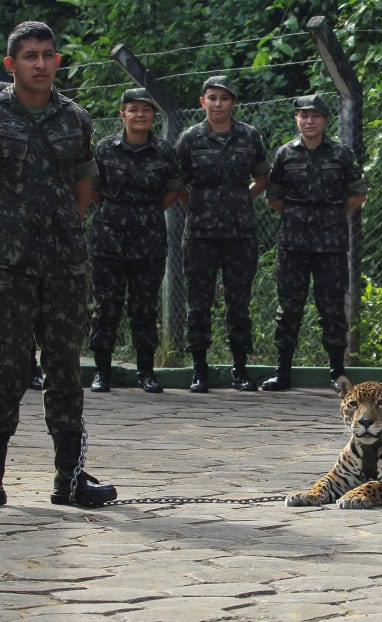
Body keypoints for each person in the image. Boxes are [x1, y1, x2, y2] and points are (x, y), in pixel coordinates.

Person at [0, 21, 117, 507]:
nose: (41, 64)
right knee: (6, 371)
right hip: (7, 266)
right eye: (30, 56)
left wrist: (64, 227)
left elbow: (82, 185)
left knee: (66, 371)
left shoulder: (74, 118)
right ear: (11, 64)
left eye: (48, 55)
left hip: (64, 264)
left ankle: (70, 478)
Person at [260, 94, 367, 392]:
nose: (309, 121)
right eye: (304, 115)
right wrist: (300, 216)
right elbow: (274, 198)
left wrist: (331, 216)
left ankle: (337, 372)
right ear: (296, 119)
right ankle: (283, 371)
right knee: (288, 308)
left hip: (331, 245)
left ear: (325, 120)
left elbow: (358, 194)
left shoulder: (341, 154)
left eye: (315, 116)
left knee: (332, 309)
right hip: (293, 244)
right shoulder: (285, 154)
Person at [176, 75, 269, 393]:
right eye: (212, 98)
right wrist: (199, 205)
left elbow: (262, 177)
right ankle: (199, 369)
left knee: (238, 302)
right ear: (202, 102)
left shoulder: (249, 136)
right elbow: (178, 184)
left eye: (224, 98)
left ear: (233, 103)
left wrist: (241, 199)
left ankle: (240, 369)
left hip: (239, 233)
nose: (218, 104)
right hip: (200, 234)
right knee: (198, 303)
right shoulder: (190, 138)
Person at [88, 88, 183, 394]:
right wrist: (117, 211)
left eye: (146, 109)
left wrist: (145, 212)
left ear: (153, 116)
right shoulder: (105, 149)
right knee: (106, 305)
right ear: (122, 115)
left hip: (148, 239)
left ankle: (146, 371)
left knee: (144, 307)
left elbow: (172, 192)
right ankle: (102, 371)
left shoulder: (165, 151)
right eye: (133, 109)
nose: (140, 114)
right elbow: (94, 190)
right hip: (108, 238)